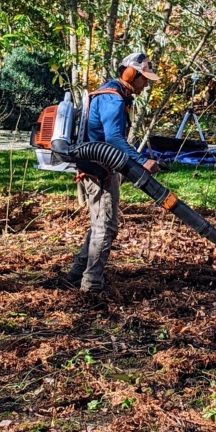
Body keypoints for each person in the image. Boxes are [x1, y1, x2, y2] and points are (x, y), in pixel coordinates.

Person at [67, 52, 160, 293]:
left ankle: (76, 274)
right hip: (99, 171)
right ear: (130, 73)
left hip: (96, 167)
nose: (146, 84)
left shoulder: (110, 93)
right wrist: (142, 161)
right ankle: (92, 286)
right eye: (143, 78)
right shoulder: (114, 100)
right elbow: (114, 139)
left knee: (99, 223)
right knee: (106, 227)